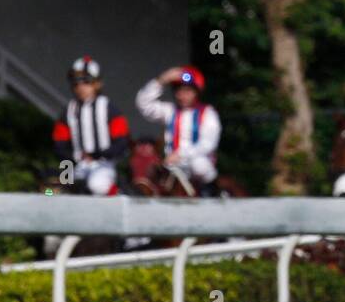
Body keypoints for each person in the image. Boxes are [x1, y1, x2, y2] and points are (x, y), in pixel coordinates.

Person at [135, 65, 222, 196]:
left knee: (200, 166)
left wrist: (181, 154)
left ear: (196, 92)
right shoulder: (169, 111)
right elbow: (143, 104)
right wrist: (161, 80)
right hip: (171, 165)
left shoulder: (208, 113)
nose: (182, 95)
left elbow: (208, 144)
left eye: (187, 91)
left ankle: (212, 197)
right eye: (179, 91)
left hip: (196, 163)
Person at [52, 55, 131, 195]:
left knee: (97, 186)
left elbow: (122, 142)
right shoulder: (68, 111)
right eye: (76, 83)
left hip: (104, 164)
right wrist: (71, 162)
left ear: (97, 83)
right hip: (75, 165)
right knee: (54, 191)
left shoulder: (109, 109)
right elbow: (59, 144)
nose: (80, 87)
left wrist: (98, 154)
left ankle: (119, 196)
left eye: (86, 82)